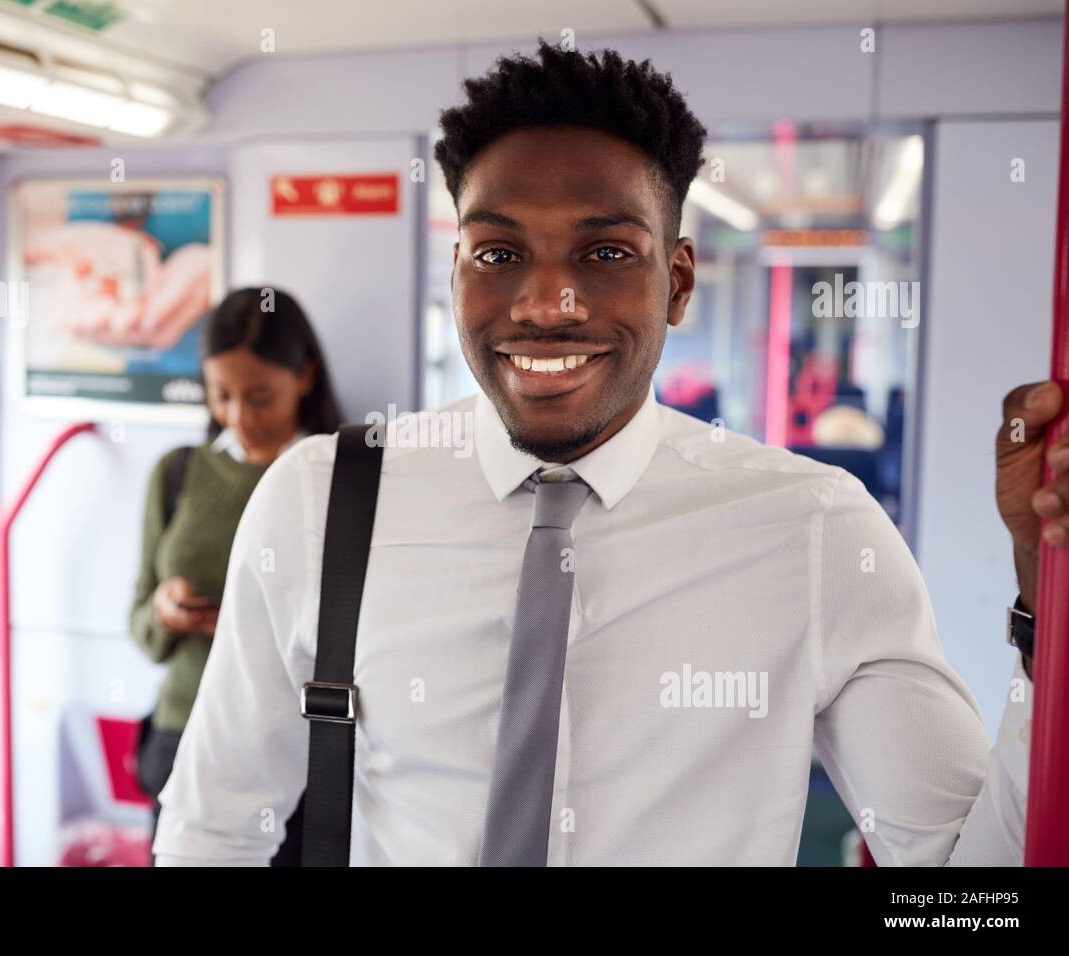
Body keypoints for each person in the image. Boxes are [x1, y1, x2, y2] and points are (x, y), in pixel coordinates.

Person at [152, 42, 1069, 865]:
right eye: (499, 255)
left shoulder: (816, 529)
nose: (548, 303)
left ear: (676, 281)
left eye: (603, 253)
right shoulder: (323, 500)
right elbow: (216, 832)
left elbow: (964, 882)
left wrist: (1048, 604)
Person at [129, 287, 343, 861]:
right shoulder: (178, 474)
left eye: (260, 396)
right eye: (221, 395)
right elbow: (140, 627)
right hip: (183, 730)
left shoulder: (344, 480)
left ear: (304, 378)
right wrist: (165, 613)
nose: (240, 417)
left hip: (298, 748)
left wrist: (258, 625)